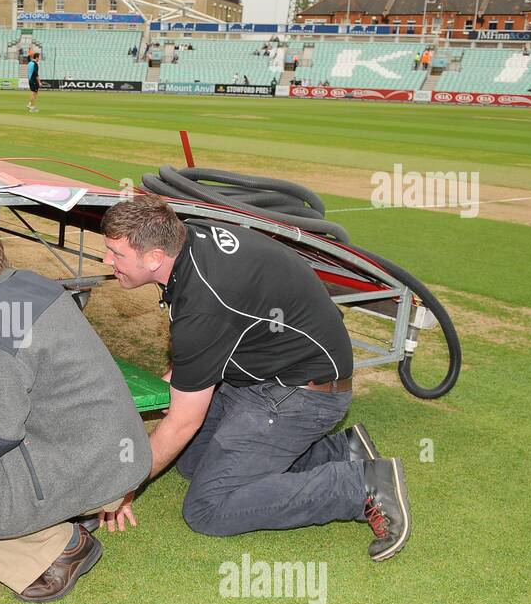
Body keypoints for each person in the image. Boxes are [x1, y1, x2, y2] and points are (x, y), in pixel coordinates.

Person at [97, 195, 412, 562]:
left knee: (209, 507)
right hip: (265, 371)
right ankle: (342, 451)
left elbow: (183, 420)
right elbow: (192, 365)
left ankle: (361, 487)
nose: (107, 261)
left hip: (301, 394)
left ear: (154, 257)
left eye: (116, 254)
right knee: (191, 462)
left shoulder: (204, 302)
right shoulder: (187, 241)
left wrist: (125, 484)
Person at [0, 221, 150, 602]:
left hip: (91, 464)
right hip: (114, 449)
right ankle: (67, 509)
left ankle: (58, 546)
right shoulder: (34, 284)